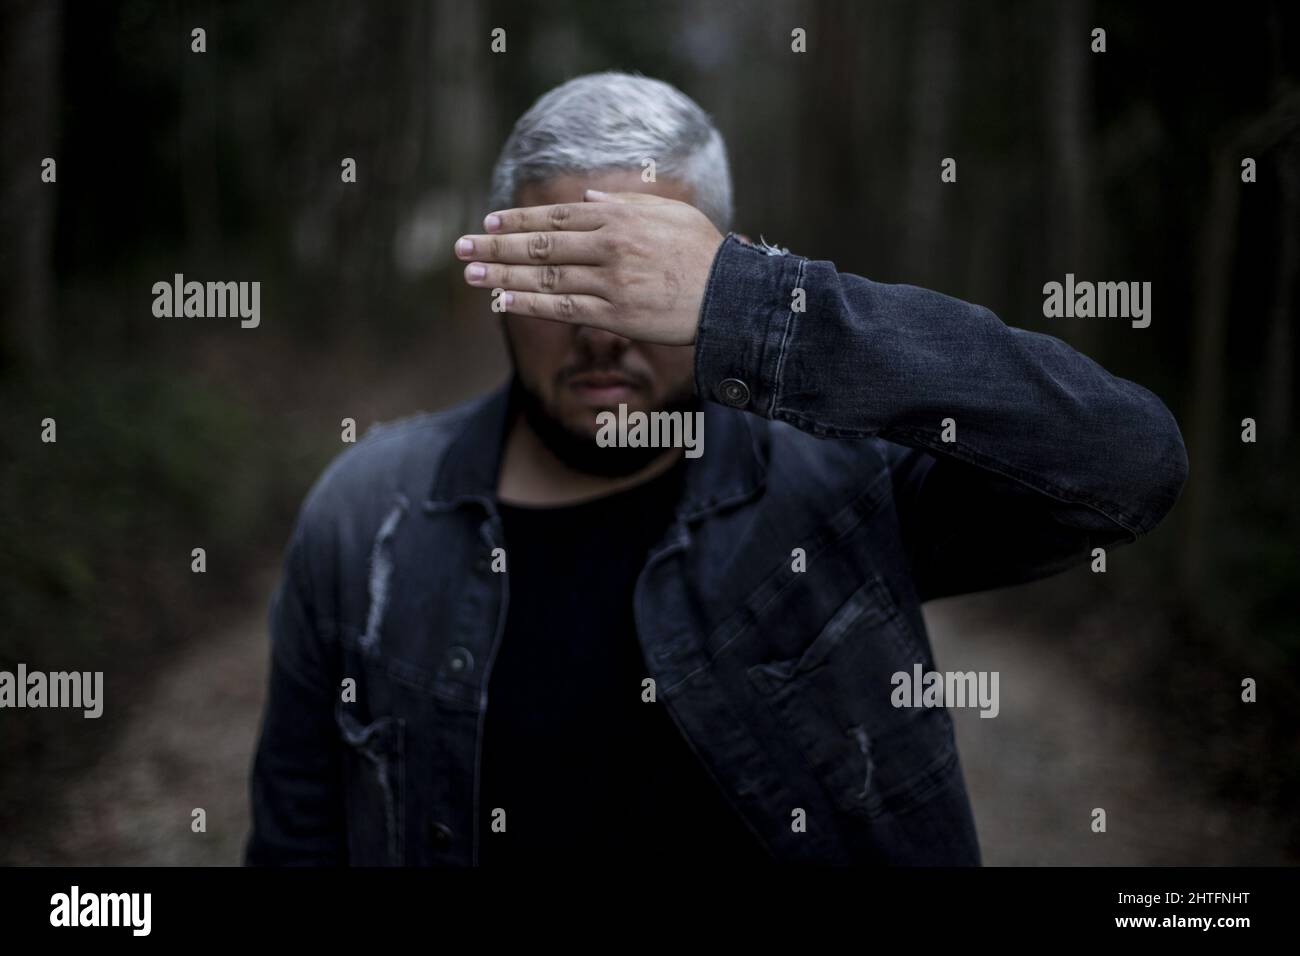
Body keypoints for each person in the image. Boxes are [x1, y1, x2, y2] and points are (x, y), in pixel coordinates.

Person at [244, 71, 1188, 866]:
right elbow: (295, 838)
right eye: (561, 274)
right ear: (496, 276)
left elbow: (1126, 461)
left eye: (640, 282)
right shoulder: (368, 517)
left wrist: (758, 304)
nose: (601, 329)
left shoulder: (839, 489)